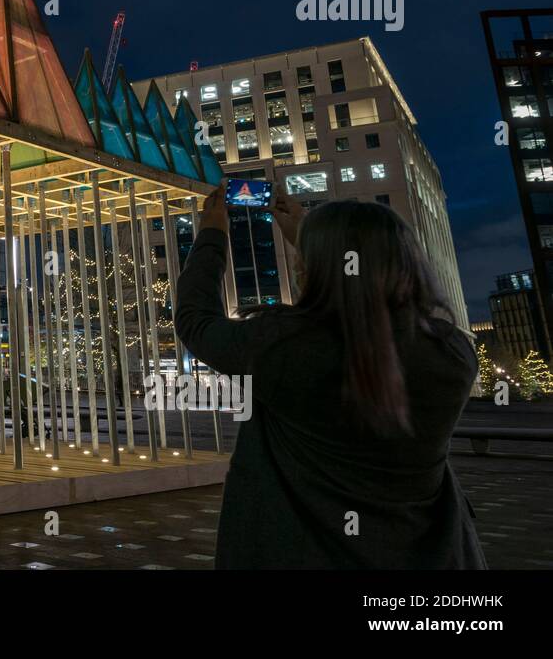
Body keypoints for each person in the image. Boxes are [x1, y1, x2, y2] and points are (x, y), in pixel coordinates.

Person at [174, 183, 485, 569]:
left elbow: (196, 321)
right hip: (430, 554)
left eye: (303, 263)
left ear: (311, 268)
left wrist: (212, 233)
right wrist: (313, 237)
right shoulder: (452, 353)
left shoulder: (284, 345)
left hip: (299, 551)